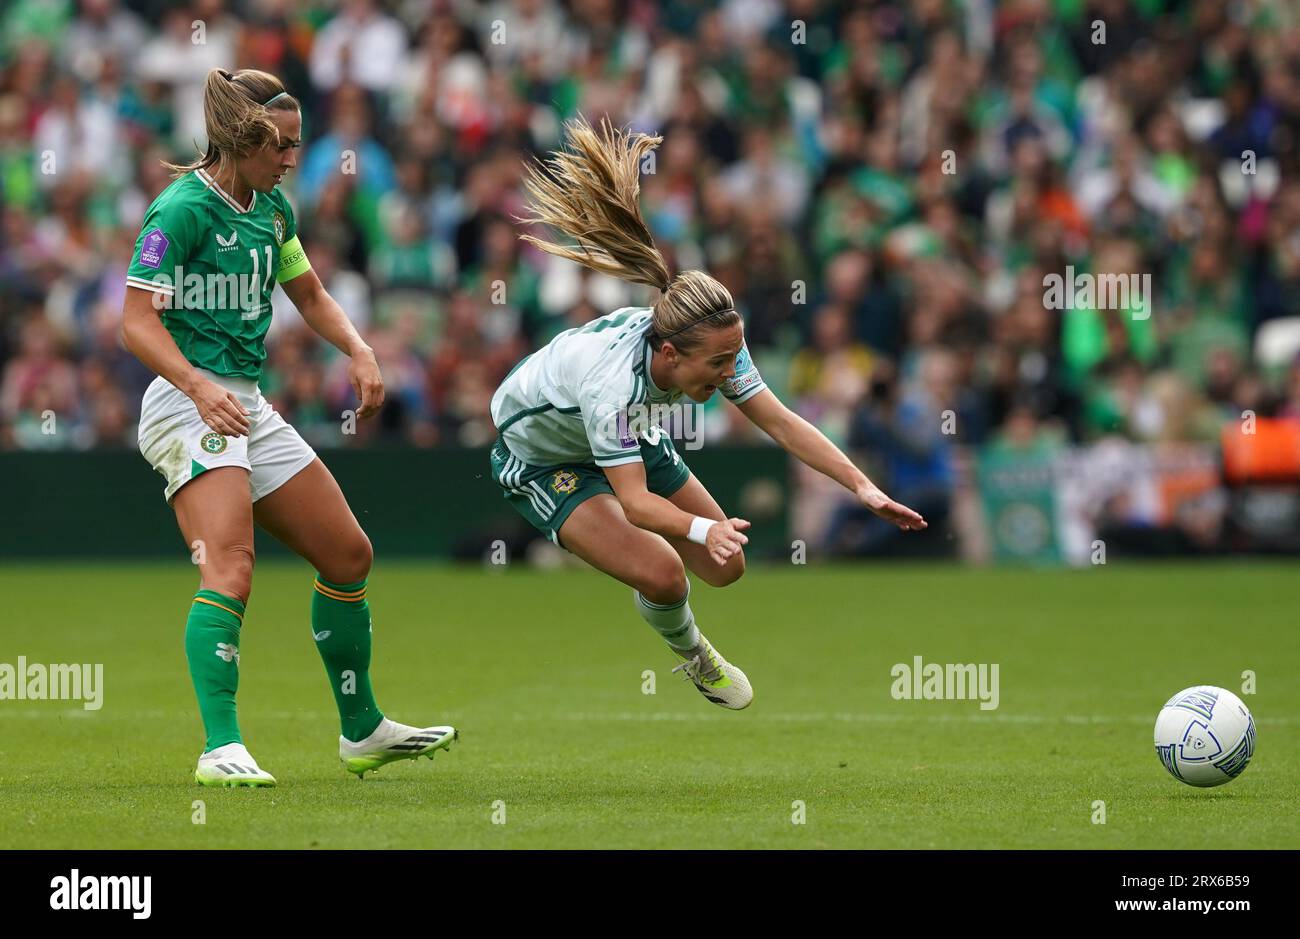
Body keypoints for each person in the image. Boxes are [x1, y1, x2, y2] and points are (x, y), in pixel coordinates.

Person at [489, 118, 927, 709]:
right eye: (718, 365)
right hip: (542, 459)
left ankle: (677, 592)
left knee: (726, 568)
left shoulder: (716, 342)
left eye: (732, 359)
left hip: (629, 434)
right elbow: (638, 504)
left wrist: (862, 487)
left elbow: (781, 421)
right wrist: (702, 527)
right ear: (670, 354)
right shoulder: (610, 384)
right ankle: (697, 656)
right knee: (666, 572)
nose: (729, 375)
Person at [121, 68, 455, 786]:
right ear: (243, 137)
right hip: (187, 401)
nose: (294, 157)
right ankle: (220, 747)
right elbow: (134, 321)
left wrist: (360, 349)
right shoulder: (180, 210)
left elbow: (308, 292)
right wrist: (196, 383)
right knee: (230, 567)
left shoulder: (273, 212)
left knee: (347, 554)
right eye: (283, 144)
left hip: (246, 404)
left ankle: (361, 728)